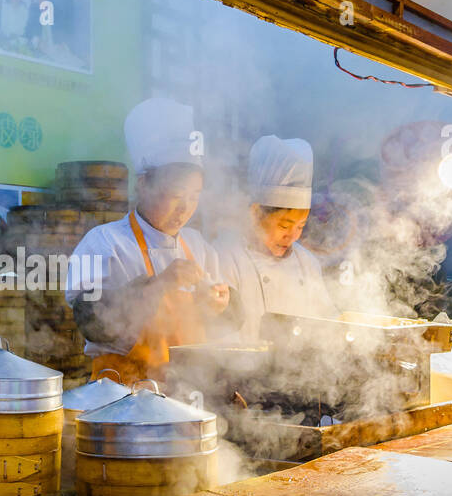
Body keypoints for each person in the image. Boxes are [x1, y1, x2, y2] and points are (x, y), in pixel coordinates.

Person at [65, 97, 234, 385]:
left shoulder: (198, 246)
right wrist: (159, 285)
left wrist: (221, 305)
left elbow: (220, 327)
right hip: (122, 397)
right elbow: (91, 321)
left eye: (194, 197)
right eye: (176, 195)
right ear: (143, 184)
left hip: (190, 392)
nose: (185, 209)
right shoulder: (104, 243)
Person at [216, 135, 337, 342]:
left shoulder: (307, 263)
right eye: (284, 225)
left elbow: (329, 328)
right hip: (240, 371)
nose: (292, 236)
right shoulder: (225, 257)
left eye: (301, 226)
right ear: (256, 213)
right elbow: (216, 334)